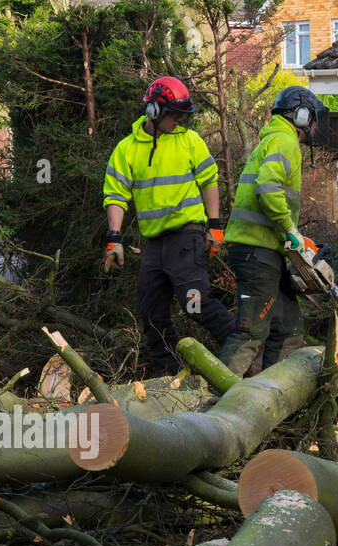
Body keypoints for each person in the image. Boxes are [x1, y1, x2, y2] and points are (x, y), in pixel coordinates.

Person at [102, 76, 249, 377]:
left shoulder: (189, 141)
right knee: (151, 310)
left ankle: (245, 361)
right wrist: (113, 239)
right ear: (154, 112)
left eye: (183, 114)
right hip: (155, 245)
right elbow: (115, 195)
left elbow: (209, 181)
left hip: (187, 236)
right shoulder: (127, 149)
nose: (179, 120)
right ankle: (171, 377)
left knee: (194, 304)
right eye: (174, 114)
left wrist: (216, 227)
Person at [222, 85, 328, 375]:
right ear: (302, 115)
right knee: (251, 331)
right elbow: (268, 190)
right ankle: (214, 405)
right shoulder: (285, 141)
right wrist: (290, 229)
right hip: (255, 251)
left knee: (288, 327)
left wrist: (293, 236)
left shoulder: (276, 139)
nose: (315, 126)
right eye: (313, 118)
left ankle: (273, 394)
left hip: (264, 249)